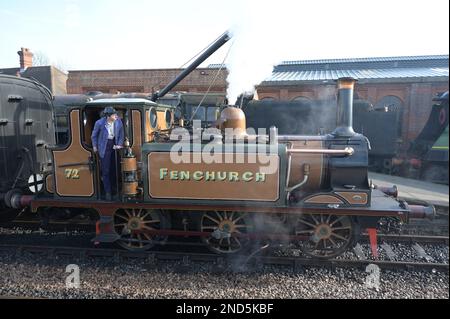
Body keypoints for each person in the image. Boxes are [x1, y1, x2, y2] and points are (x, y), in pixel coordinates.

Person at [91, 107, 124, 200]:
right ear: (108, 116)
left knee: (115, 168)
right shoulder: (99, 123)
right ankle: (108, 192)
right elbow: (94, 135)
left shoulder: (118, 122)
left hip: (115, 145)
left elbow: (121, 134)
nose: (116, 116)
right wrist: (95, 146)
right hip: (104, 146)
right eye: (114, 115)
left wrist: (119, 145)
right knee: (106, 170)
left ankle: (115, 188)